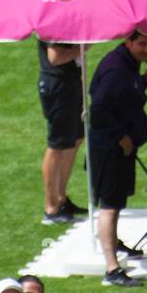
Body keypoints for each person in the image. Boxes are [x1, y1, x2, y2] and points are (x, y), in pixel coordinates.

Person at [87, 30, 147, 287]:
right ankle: (111, 268)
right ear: (128, 42)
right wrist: (121, 137)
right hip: (109, 150)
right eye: (142, 44)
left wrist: (144, 81)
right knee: (109, 205)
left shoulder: (128, 66)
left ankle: (113, 244)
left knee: (116, 203)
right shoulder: (116, 69)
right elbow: (98, 109)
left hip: (119, 149)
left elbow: (123, 97)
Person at [36, 40, 88, 225]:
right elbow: (55, 57)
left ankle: (61, 199)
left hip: (69, 82)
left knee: (75, 139)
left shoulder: (65, 16)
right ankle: (51, 209)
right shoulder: (52, 21)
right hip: (57, 85)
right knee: (57, 145)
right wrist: (83, 48)